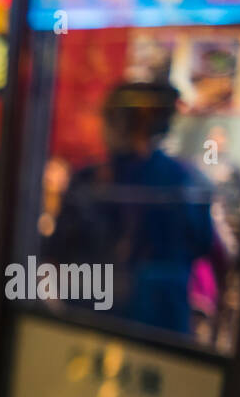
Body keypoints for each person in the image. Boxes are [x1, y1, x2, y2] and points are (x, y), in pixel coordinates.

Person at [45, 82, 224, 336]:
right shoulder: (186, 180)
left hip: (139, 323)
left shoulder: (181, 181)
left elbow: (58, 253)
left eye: (115, 117)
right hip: (122, 323)